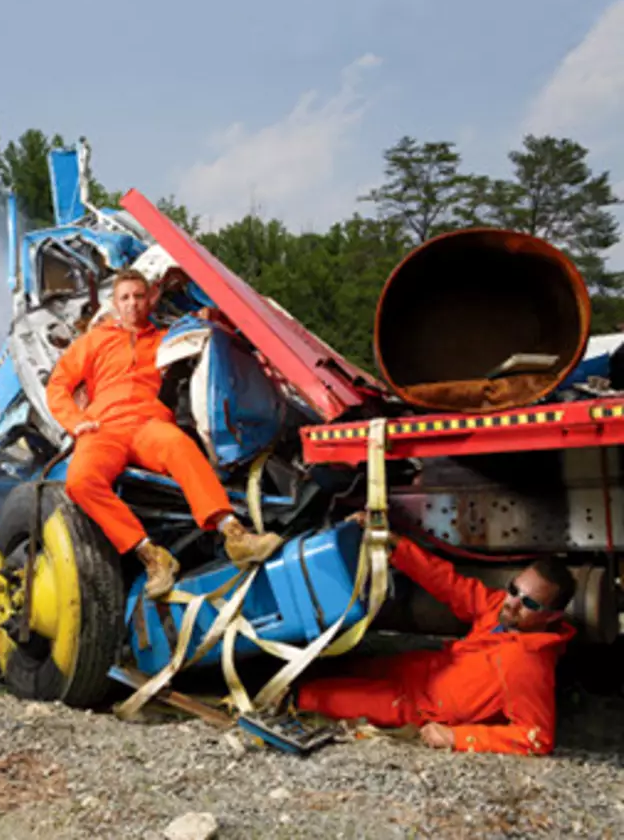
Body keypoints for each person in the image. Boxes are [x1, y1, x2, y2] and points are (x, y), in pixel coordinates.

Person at [45, 268, 282, 599]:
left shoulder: (168, 338)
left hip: (149, 423)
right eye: (125, 298)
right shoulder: (94, 340)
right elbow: (57, 385)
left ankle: (234, 534)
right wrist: (75, 421)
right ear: (115, 303)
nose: (132, 304)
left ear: (150, 300)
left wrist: (211, 317)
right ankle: (151, 555)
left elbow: (211, 342)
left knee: (180, 447)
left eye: (138, 297)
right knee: (80, 481)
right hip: (103, 427)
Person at [296, 517, 577, 756]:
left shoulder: (528, 664)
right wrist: (393, 543)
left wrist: (457, 737)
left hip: (415, 706)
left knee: (311, 696)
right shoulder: (498, 608)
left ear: (552, 616)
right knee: (333, 667)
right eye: (514, 590)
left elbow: (537, 737)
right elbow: (449, 583)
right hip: (417, 670)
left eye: (530, 604)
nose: (513, 603)